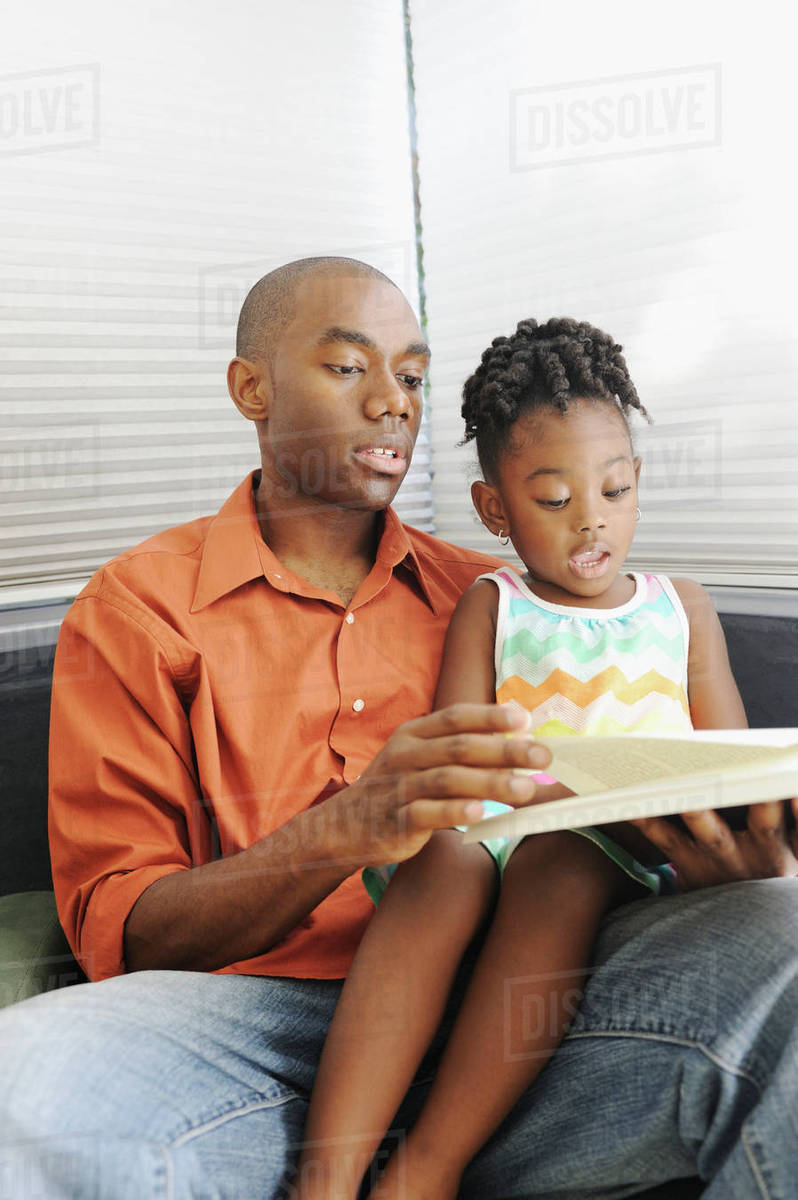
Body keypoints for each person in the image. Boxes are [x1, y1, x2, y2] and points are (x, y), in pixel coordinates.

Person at [0, 260, 796, 1200]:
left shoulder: (505, 596)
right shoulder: (139, 610)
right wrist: (344, 830)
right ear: (251, 389)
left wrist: (724, 858)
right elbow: (123, 932)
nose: (394, 403)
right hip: (253, 1033)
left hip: (526, 1023)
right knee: (24, 1080)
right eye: (349, 368)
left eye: (412, 377)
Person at [292, 315, 758, 1200]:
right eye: (552, 501)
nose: (591, 520)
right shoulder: (493, 603)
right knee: (440, 855)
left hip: (629, 847)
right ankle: (327, 1176)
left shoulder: (682, 607)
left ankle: (426, 1169)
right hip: (509, 820)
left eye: (615, 490)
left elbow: (728, 765)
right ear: (494, 509)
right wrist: (533, 790)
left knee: (561, 863)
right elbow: (458, 755)